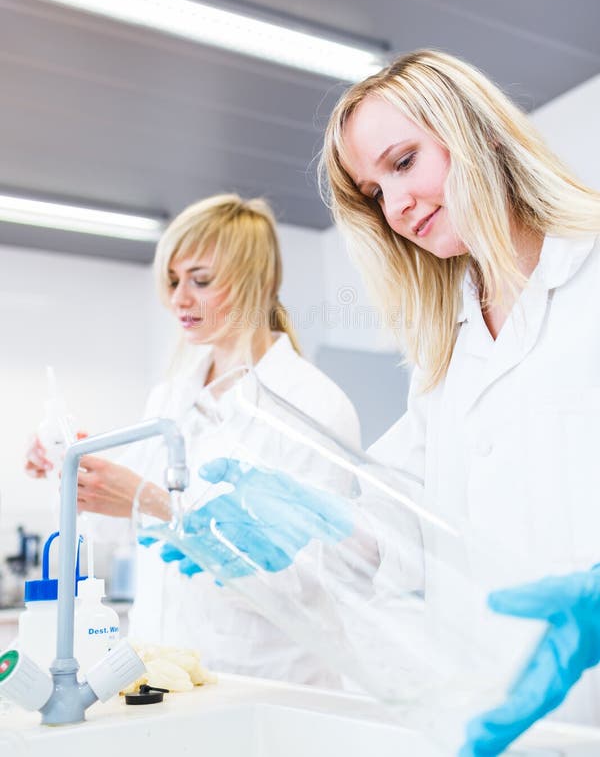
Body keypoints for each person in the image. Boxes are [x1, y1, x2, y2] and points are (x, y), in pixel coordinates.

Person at [155, 51, 600, 753]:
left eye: (403, 163)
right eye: (373, 193)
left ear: (477, 129)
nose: (395, 208)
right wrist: (306, 519)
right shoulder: (444, 348)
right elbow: (394, 520)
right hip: (485, 717)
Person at [26, 193, 361, 686]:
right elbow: (117, 531)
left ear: (260, 282)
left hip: (264, 681)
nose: (179, 299)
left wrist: (154, 503)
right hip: (161, 671)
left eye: (201, 280)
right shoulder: (171, 397)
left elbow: (310, 581)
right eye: (174, 280)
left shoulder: (313, 405)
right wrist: (73, 463)